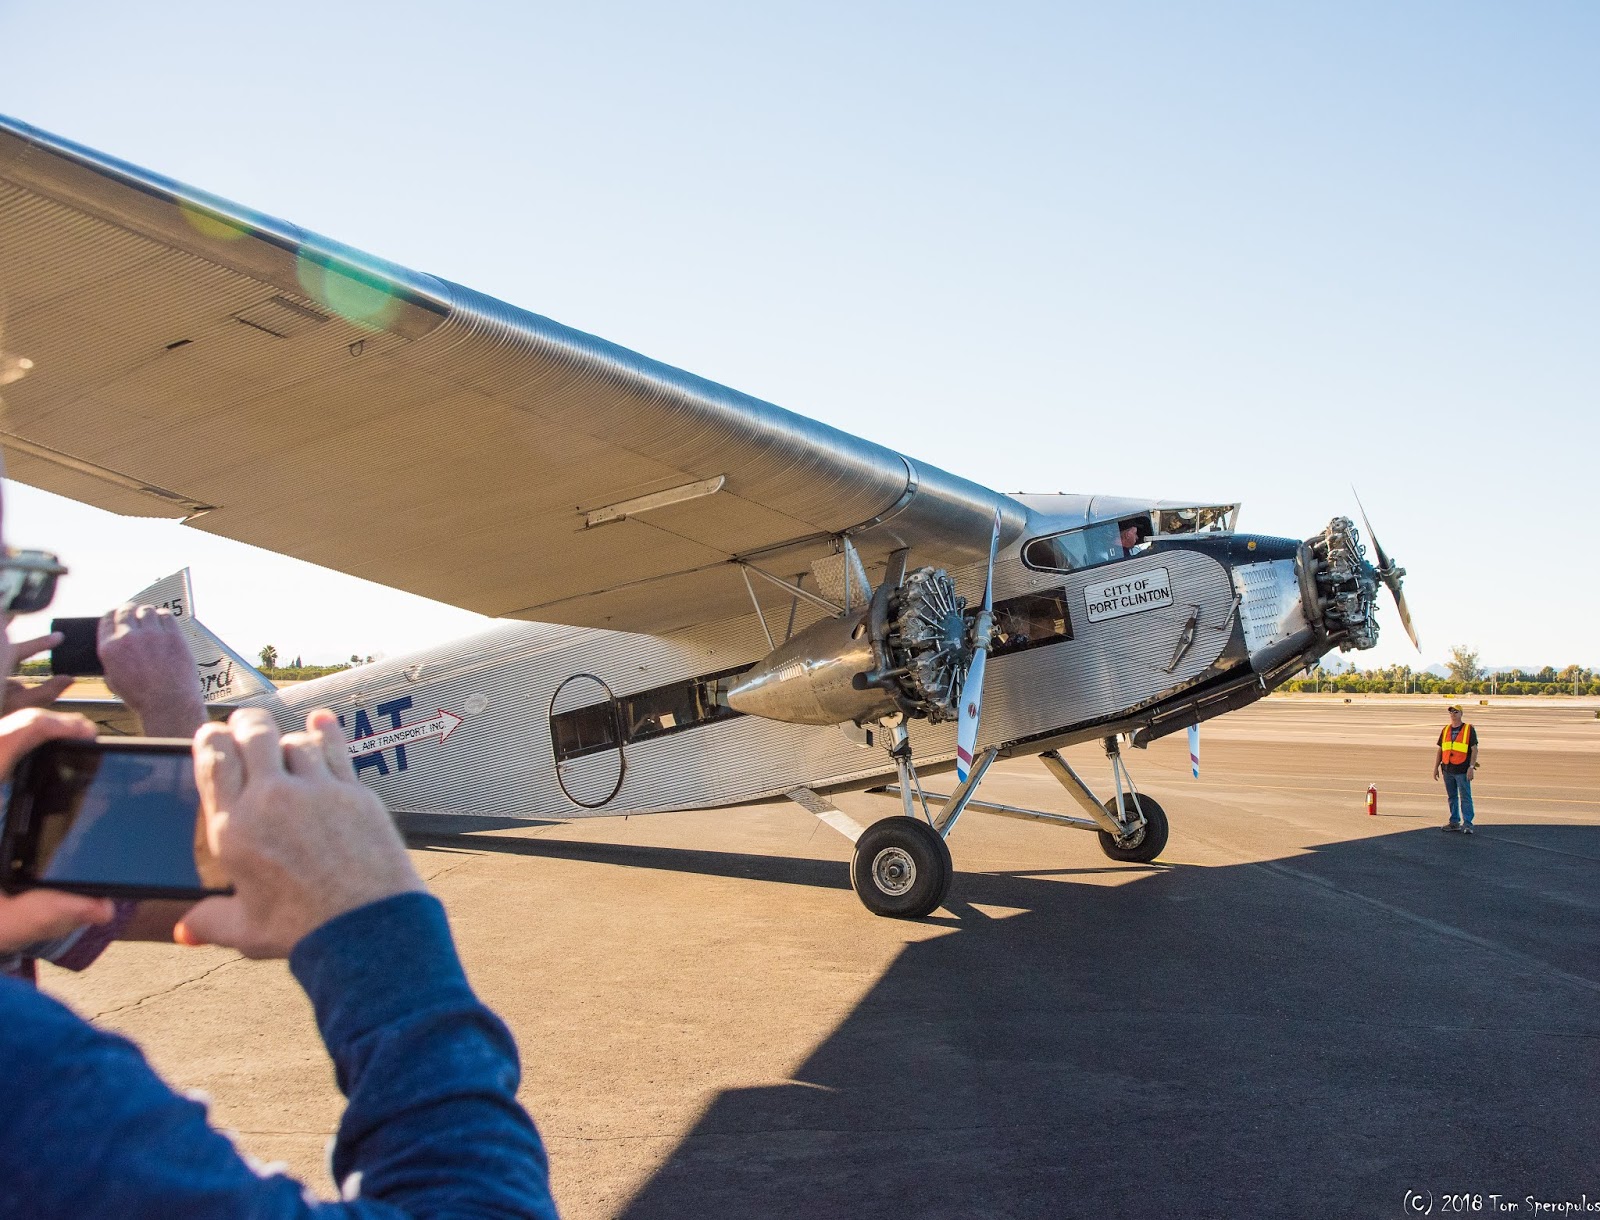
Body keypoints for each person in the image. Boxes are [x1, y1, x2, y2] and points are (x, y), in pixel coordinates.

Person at [0, 554, 556, 1212]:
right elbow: (209, 878)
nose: (16, 625)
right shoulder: (32, 1077)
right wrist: (382, 925)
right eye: (12, 581)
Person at [1434, 704, 1480, 834]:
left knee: (1465, 797)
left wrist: (1471, 767)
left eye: (1456, 711)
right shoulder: (1446, 729)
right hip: (1447, 769)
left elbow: (1474, 749)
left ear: (1461, 714)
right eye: (1451, 712)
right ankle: (1454, 822)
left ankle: (1468, 824)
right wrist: (1436, 767)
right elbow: (1440, 749)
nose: (1453, 714)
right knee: (1452, 797)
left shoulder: (1468, 729)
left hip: (1462, 770)